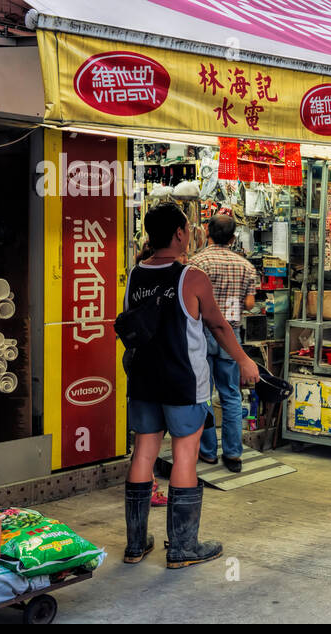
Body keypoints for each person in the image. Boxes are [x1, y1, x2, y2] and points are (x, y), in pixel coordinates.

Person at [122, 202, 259, 569]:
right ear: (180, 234)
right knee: (185, 454)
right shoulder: (190, 277)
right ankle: (182, 548)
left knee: (144, 454)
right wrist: (244, 360)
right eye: (187, 229)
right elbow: (218, 325)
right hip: (183, 381)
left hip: (144, 380)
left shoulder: (134, 274)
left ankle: (136, 546)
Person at [189, 214, 261, 474]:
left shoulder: (197, 263)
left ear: (206, 231)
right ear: (233, 239)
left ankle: (207, 452)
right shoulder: (245, 266)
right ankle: (233, 454)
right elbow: (250, 304)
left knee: (203, 395)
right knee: (231, 394)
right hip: (231, 335)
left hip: (202, 333)